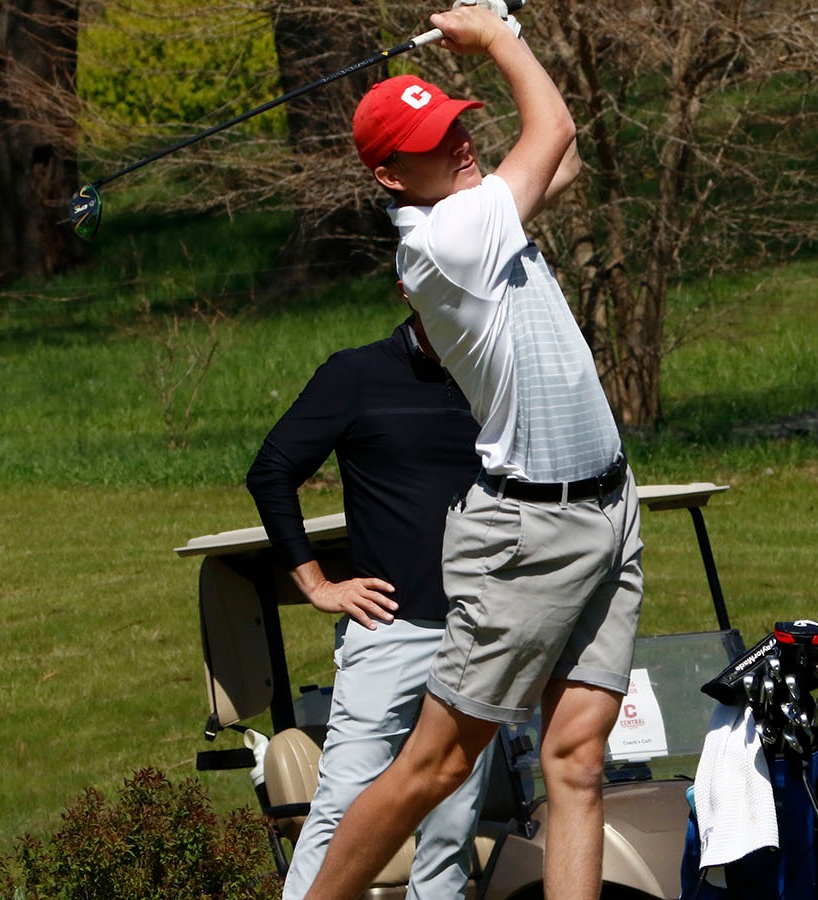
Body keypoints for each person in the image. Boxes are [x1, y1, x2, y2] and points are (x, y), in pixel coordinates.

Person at [304, 5, 643, 900]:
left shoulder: (478, 208)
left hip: (609, 509)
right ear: (390, 174)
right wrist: (498, 39)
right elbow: (554, 130)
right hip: (528, 534)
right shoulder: (449, 237)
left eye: (458, 124)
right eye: (433, 142)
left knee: (577, 758)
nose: (459, 144)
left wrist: (505, 36)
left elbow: (562, 158)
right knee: (437, 765)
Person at [245, 313, 490, 900]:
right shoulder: (355, 374)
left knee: (453, 822)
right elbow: (271, 472)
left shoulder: (491, 376)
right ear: (410, 290)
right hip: (390, 627)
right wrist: (317, 584)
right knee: (343, 804)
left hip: (480, 631)